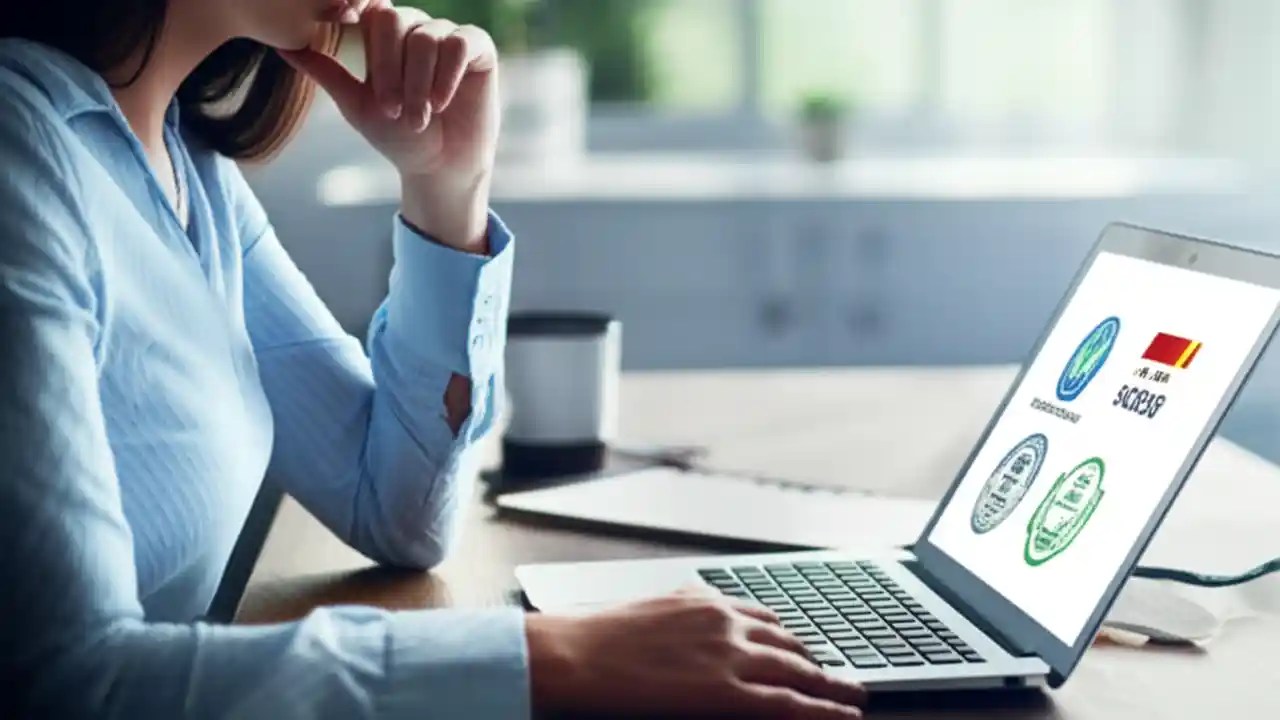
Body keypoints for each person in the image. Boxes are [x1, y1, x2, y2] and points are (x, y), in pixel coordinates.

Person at [0, 1, 869, 718]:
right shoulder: (21, 154)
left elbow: (395, 509)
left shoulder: (191, 174)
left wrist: (447, 186)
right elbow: (67, 685)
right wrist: (550, 657)